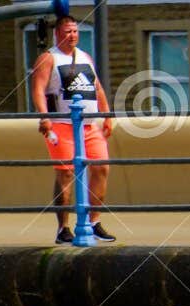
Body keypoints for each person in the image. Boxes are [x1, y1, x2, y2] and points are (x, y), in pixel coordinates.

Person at [30, 16, 116, 244]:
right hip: (62, 125)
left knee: (101, 168)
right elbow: (38, 89)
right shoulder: (48, 58)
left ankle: (94, 221)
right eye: (68, 32)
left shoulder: (85, 57)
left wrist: (107, 114)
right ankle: (63, 228)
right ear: (57, 34)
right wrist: (44, 116)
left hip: (89, 124)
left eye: (76, 31)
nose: (73, 36)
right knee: (66, 173)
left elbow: (96, 87)